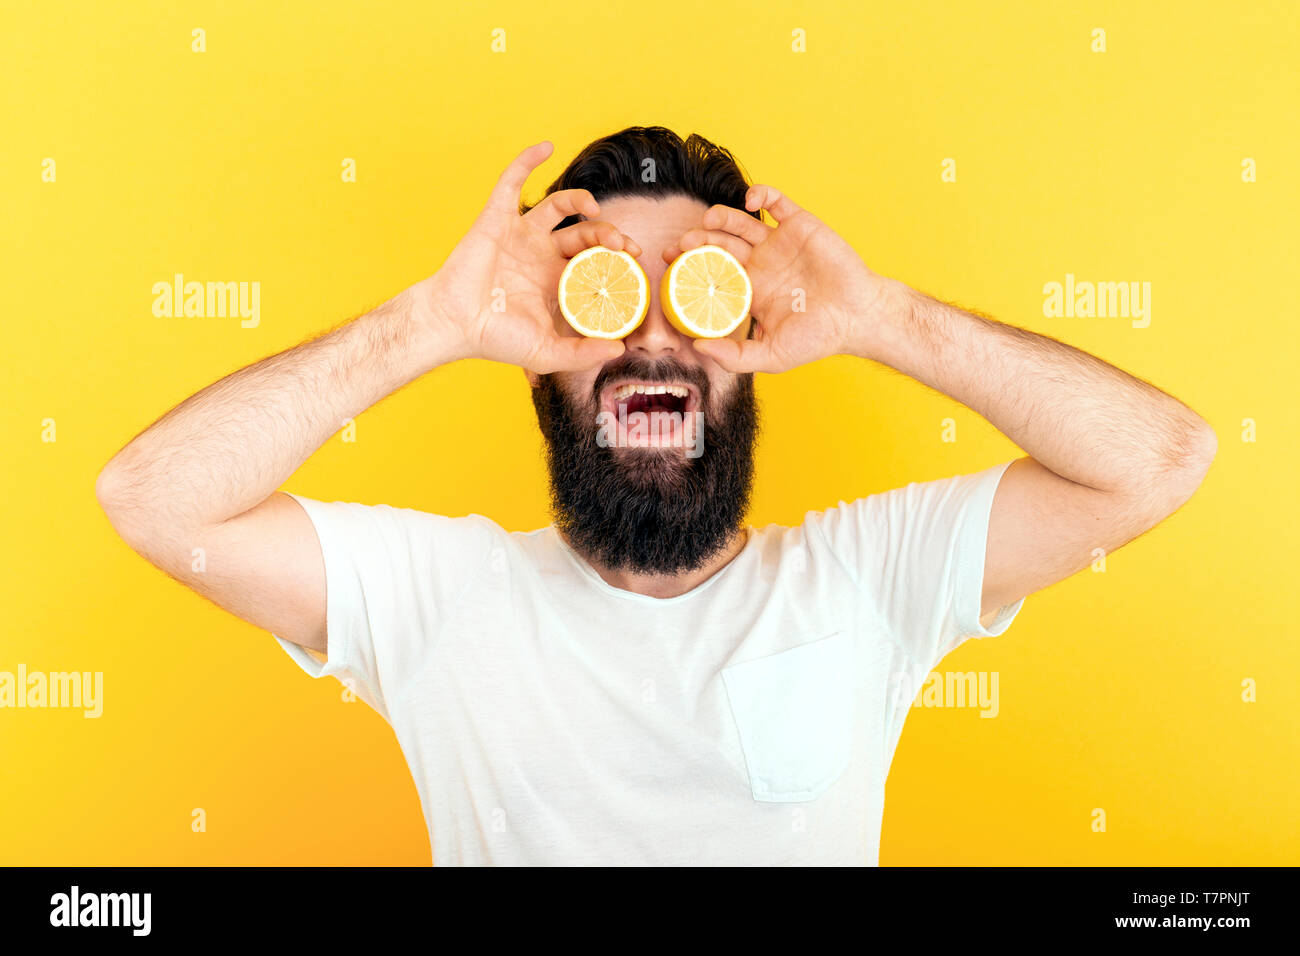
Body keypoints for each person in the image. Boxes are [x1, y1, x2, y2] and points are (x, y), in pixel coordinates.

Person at [96, 126, 1216, 865]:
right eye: (604, 292)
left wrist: (882, 318)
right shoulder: (434, 595)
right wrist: (429, 324)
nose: (650, 337)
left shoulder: (870, 576)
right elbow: (155, 500)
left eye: (698, 288)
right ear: (538, 354)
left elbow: (1158, 456)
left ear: (755, 334)